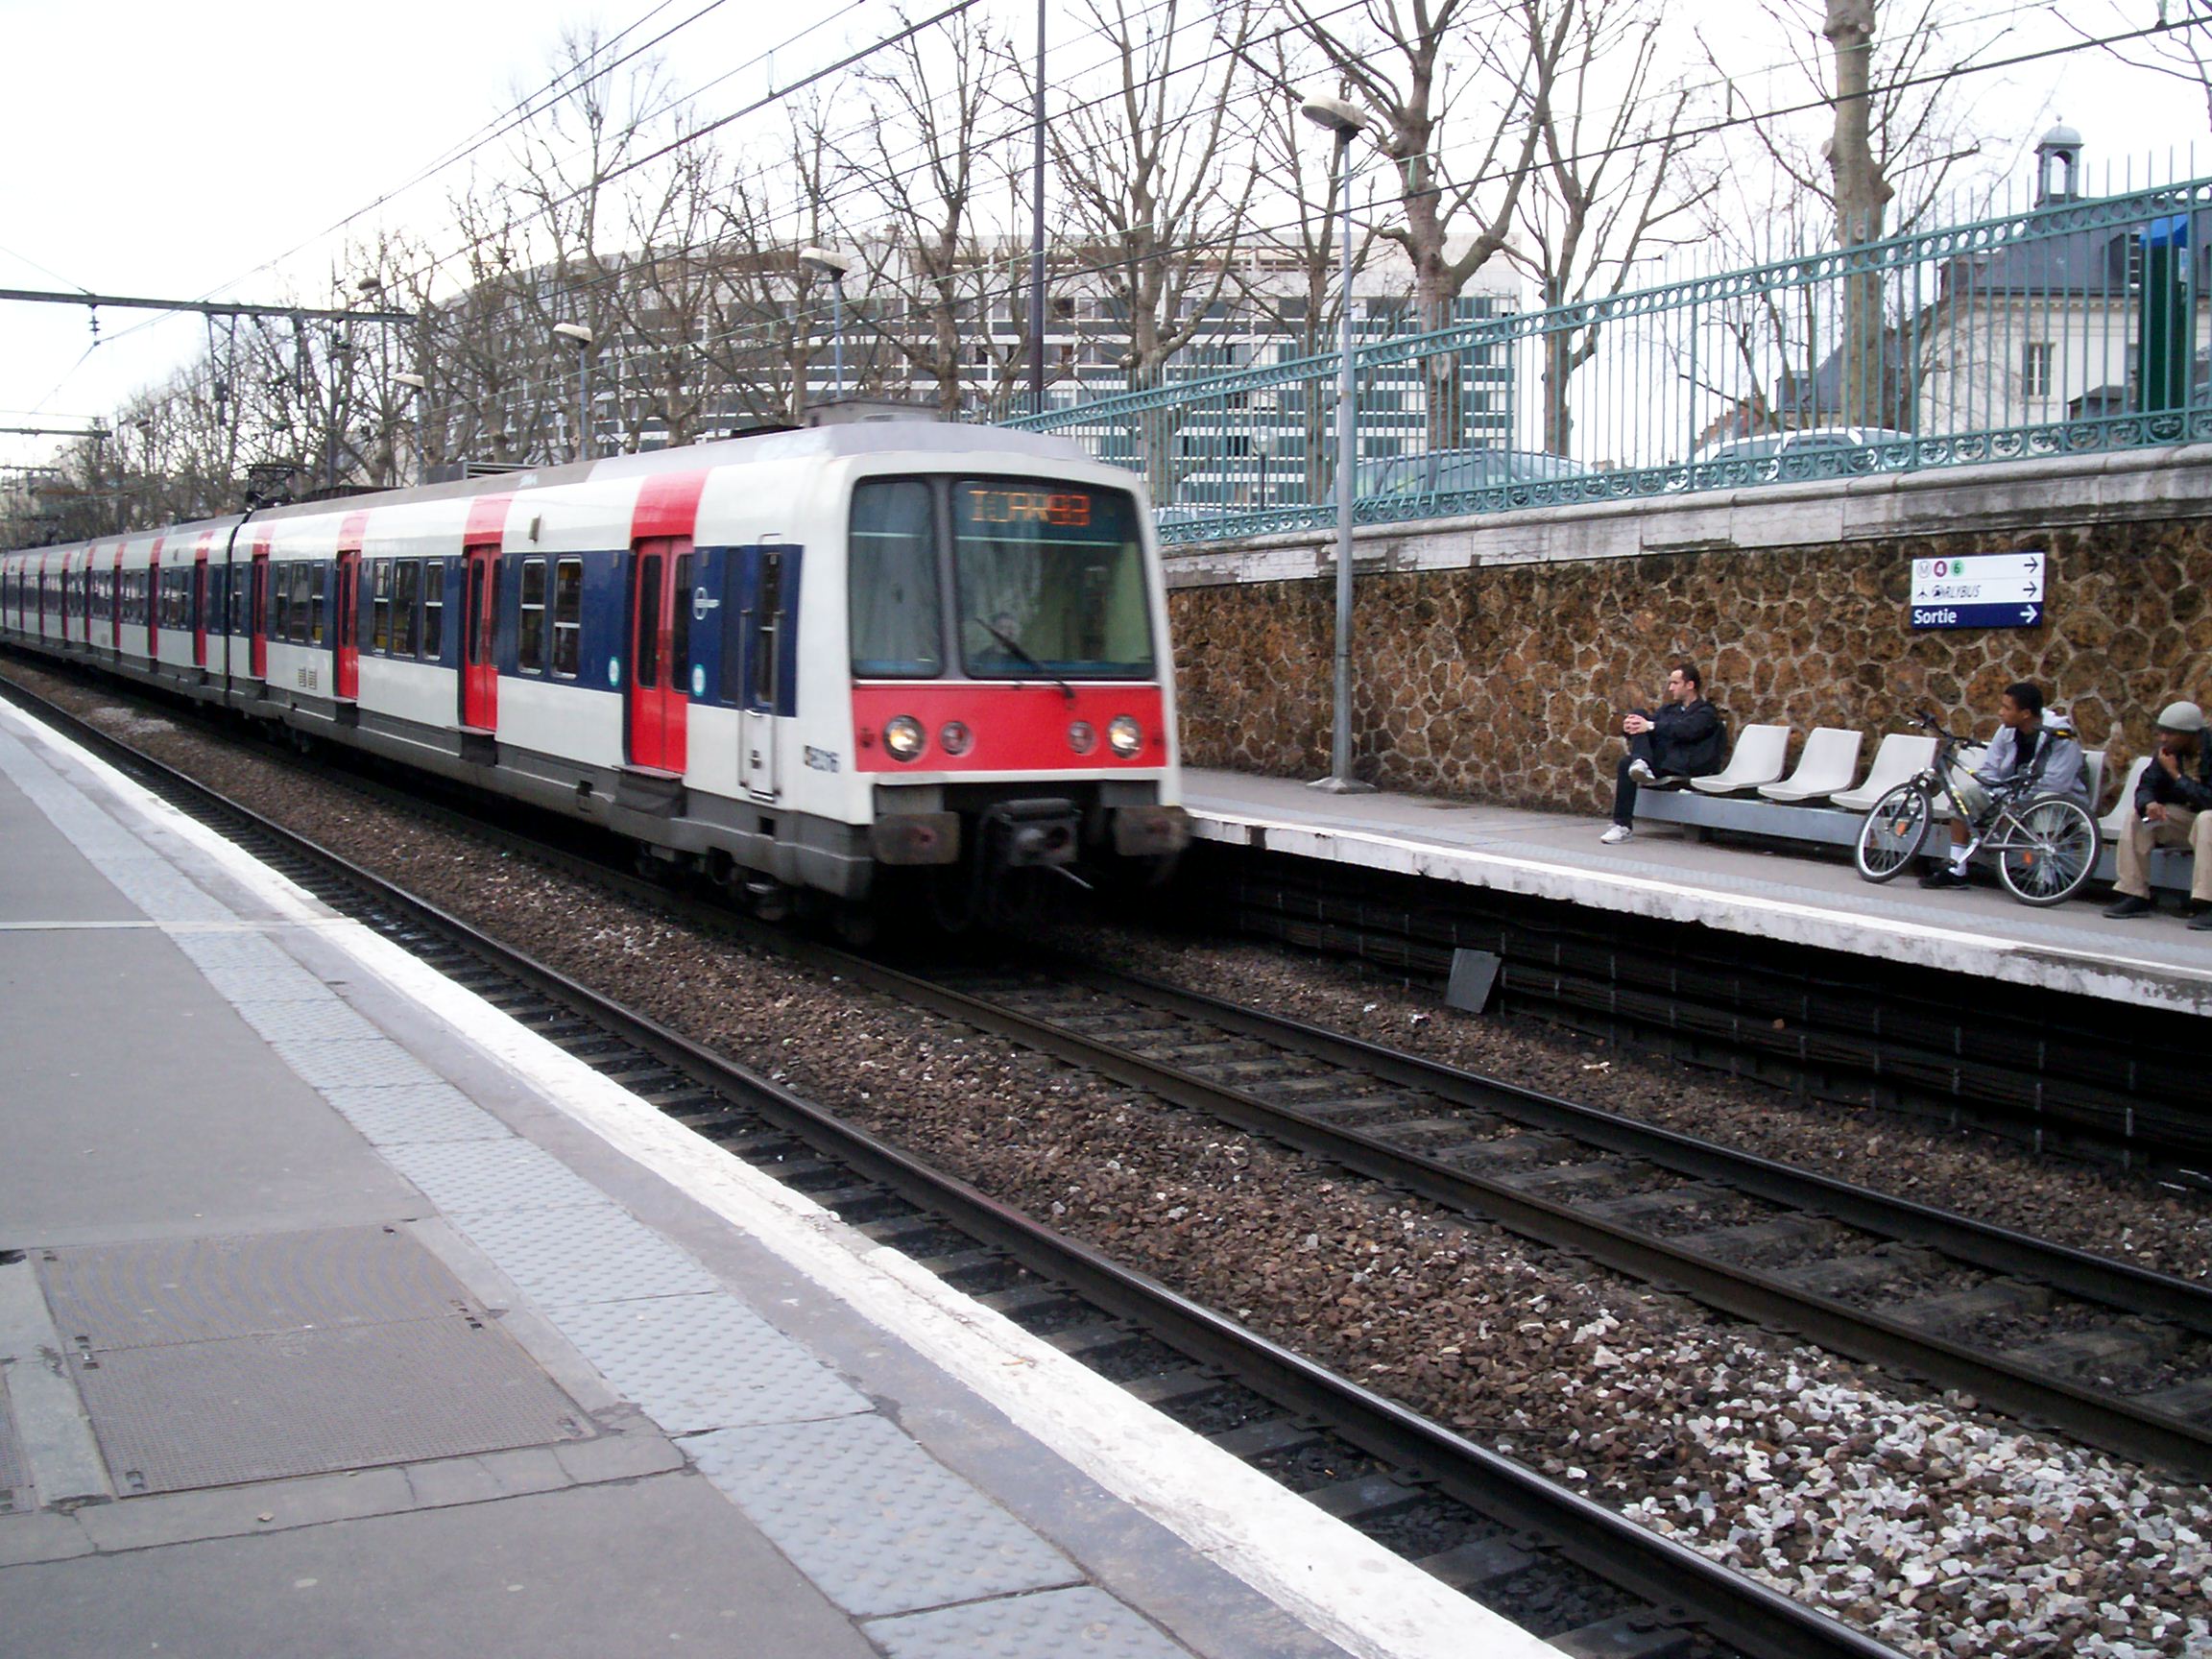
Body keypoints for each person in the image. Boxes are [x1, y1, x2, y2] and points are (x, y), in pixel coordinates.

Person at [1919, 681, 2088, 890]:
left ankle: (2047, 879)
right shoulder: (2006, 731)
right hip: (2009, 793)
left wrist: (2015, 799)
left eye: (2007, 708)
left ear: (2025, 713)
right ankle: (1957, 869)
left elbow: (2057, 782)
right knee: (1964, 799)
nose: (2000, 712)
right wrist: (1997, 793)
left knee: (2044, 801)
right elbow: (1990, 768)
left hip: (2056, 798)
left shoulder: (2061, 736)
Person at [2102, 699, 2212, 926]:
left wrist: (2177, 776)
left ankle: (2207, 903)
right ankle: (2135, 894)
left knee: (2207, 818)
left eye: (2171, 734)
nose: (2163, 739)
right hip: (2184, 822)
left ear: (2191, 735)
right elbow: (2146, 786)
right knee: (2136, 818)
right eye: (2162, 733)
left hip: (2207, 819)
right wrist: (2149, 803)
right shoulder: (2166, 753)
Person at [1599, 662, 1724, 844]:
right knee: (1637, 720)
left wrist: (1649, 726)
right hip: (1663, 760)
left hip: (1685, 763)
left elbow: (1686, 730)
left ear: (1690, 685)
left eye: (1675, 683)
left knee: (1643, 729)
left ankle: (1641, 761)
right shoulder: (1669, 710)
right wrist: (1630, 726)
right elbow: (1651, 726)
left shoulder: (1706, 712)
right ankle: (1623, 826)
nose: (1670, 688)